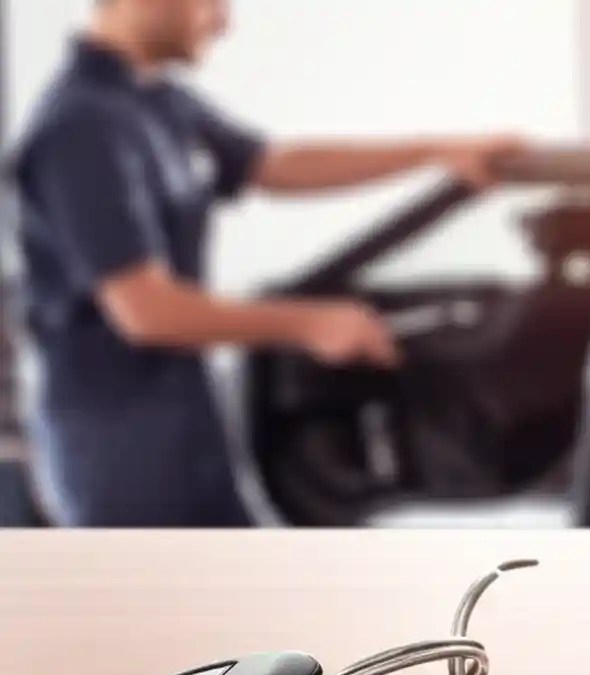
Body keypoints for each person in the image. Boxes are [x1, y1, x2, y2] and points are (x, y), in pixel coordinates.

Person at [9, 0, 524, 527]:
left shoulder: (158, 100)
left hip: (186, 427)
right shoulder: (78, 130)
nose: (223, 22)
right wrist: (308, 323)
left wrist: (435, 152)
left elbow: (273, 164)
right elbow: (145, 311)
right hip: (118, 447)